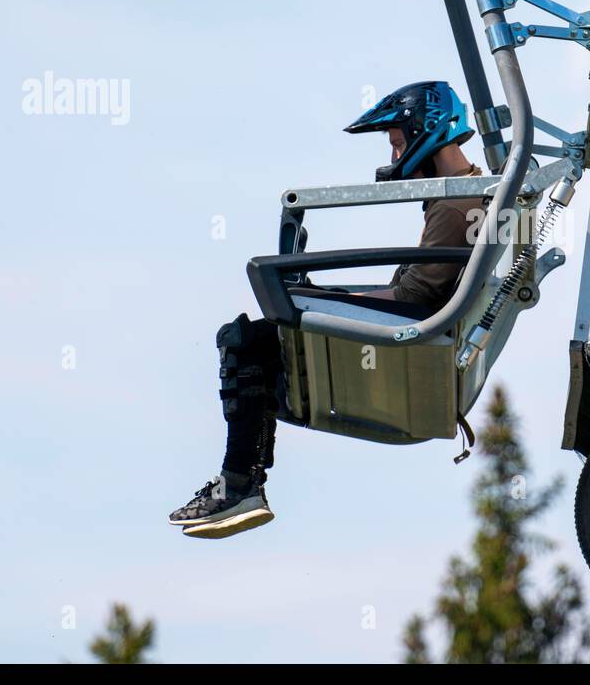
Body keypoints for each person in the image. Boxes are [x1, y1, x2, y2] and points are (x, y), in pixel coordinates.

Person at [168, 81, 484, 539]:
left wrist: (328, 301)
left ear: (424, 133)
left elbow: (414, 299)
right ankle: (243, 482)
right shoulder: (465, 194)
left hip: (411, 342)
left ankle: (240, 483)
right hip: (414, 335)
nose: (395, 158)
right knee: (263, 348)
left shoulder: (456, 206)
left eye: (398, 143)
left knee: (247, 342)